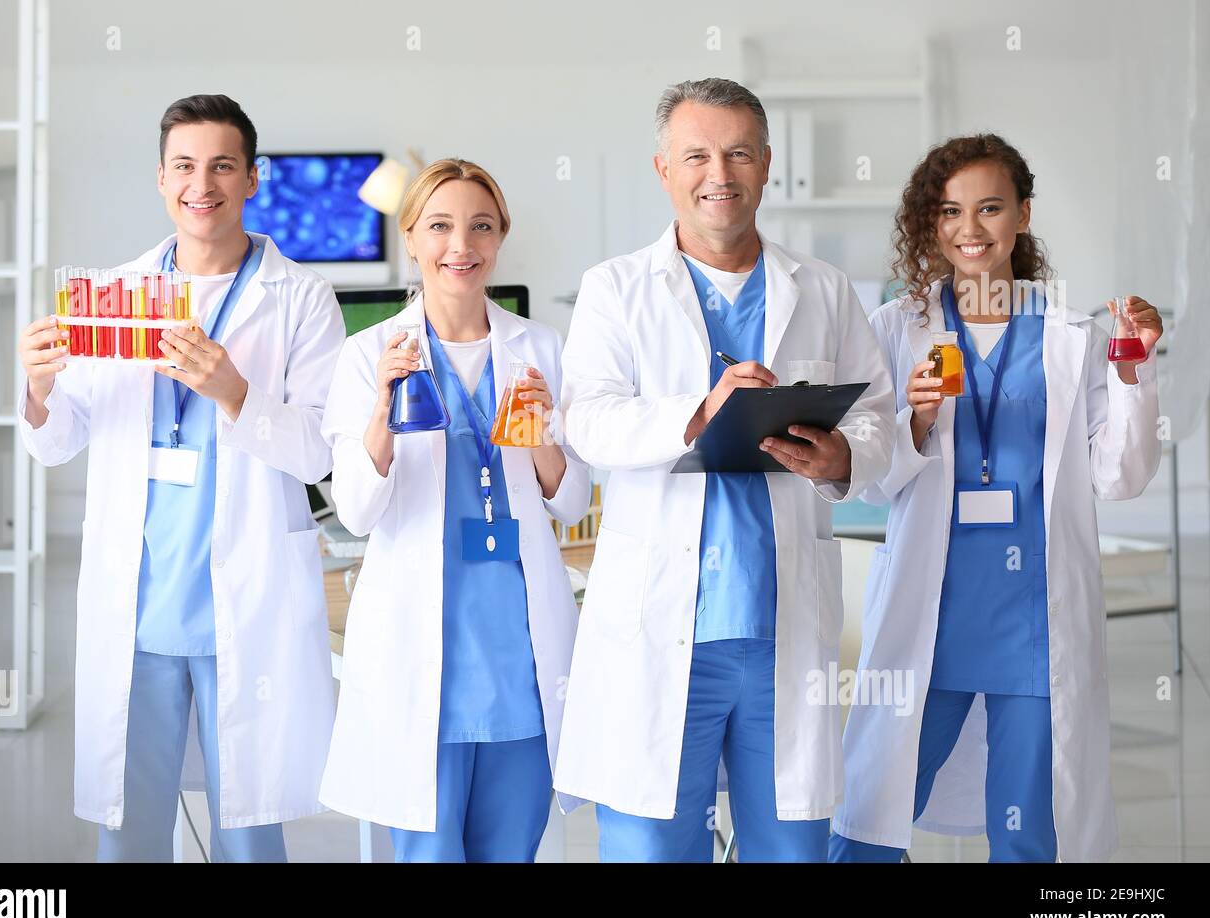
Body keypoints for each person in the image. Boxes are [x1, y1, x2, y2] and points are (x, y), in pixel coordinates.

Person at [553, 78, 896, 862]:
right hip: (662, 627)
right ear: (662, 168)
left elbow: (878, 417)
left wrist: (845, 454)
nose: (720, 172)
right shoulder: (615, 290)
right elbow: (588, 420)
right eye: (698, 155)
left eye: (739, 152)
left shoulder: (825, 289)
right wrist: (698, 413)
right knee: (652, 847)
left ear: (767, 164)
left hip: (779, 627)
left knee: (792, 849)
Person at [16, 94, 343, 861]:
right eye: (186, 166)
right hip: (139, 608)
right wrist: (37, 389)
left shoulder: (300, 299)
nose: (205, 184)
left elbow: (322, 452)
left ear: (253, 178)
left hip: (245, 601)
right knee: (128, 824)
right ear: (161, 180)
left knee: (249, 831)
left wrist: (234, 391)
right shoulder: (112, 296)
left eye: (223, 165)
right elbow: (61, 441)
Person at [829, 133, 1163, 863]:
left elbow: (1119, 476)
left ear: (1023, 215)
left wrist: (1133, 366)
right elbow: (868, 477)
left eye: (989, 208)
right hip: (934, 611)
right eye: (950, 212)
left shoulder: (1074, 336)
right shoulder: (894, 330)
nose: (969, 230)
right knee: (872, 812)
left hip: (1034, 622)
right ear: (931, 223)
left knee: (1028, 831)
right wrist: (913, 419)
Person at [317, 159, 591, 862]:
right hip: (422, 661)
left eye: (480, 226)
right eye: (439, 226)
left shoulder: (541, 350)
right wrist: (382, 408)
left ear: (501, 238)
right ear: (412, 237)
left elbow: (570, 501)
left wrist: (543, 439)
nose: (459, 245)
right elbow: (355, 510)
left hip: (520, 662)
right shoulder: (366, 356)